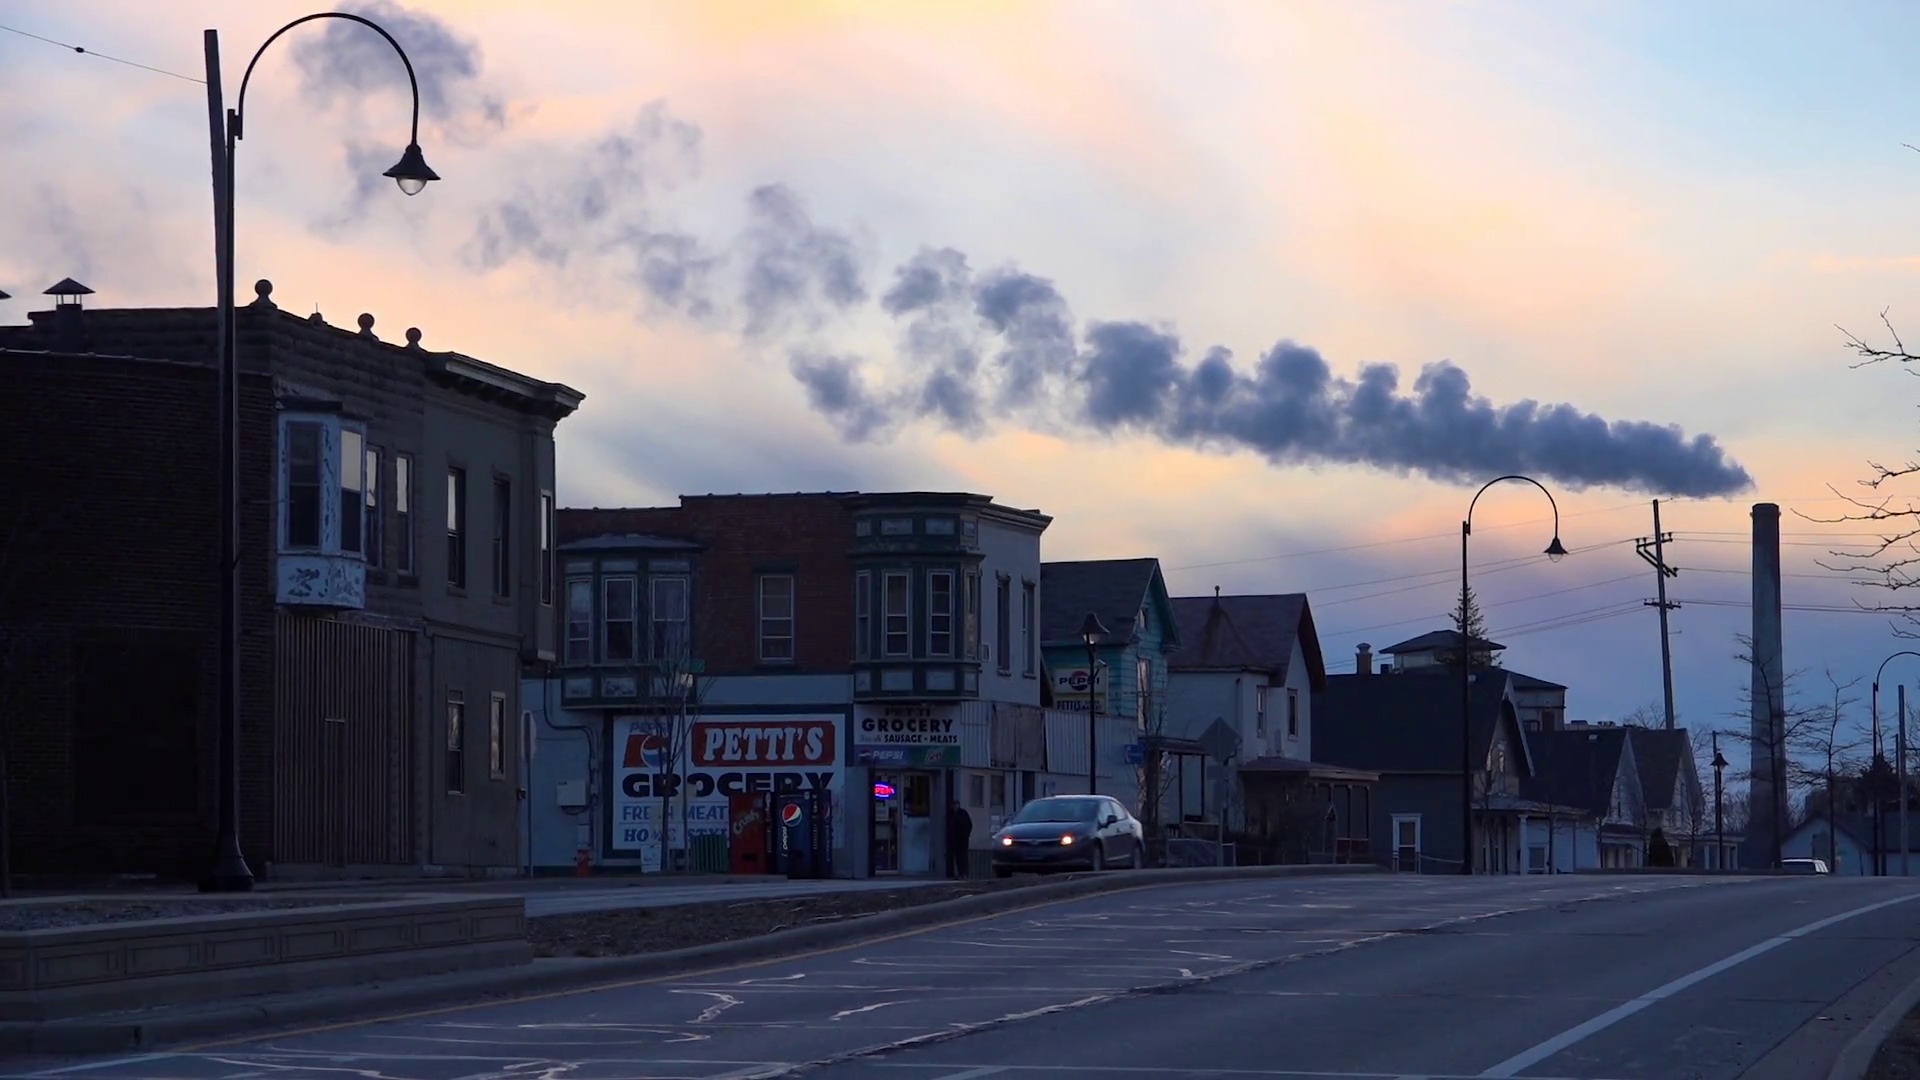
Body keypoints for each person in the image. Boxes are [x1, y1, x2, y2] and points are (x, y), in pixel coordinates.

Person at [946, 797, 974, 878]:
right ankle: (956, 873)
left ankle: (964, 873)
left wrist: (965, 836)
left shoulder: (963, 813)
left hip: (962, 840)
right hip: (953, 840)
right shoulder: (950, 814)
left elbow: (968, 825)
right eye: (953, 805)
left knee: (963, 857)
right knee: (956, 857)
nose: (954, 807)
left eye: (955, 805)